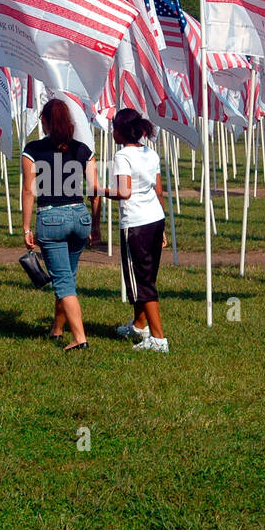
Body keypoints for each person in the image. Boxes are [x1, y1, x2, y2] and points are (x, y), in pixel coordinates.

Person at [21, 98, 101, 352]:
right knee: (66, 276)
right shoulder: (83, 149)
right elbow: (94, 192)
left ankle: (80, 338)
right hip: (80, 217)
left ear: (45, 123)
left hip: (51, 217)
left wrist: (26, 228)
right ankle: (57, 329)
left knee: (63, 281)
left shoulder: (32, 150)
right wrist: (96, 226)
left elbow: (28, 190)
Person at [102, 108, 170, 354]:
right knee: (146, 277)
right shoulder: (151, 153)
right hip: (155, 219)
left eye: (113, 128)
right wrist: (162, 228)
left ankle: (159, 339)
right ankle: (139, 325)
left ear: (121, 131)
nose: (112, 132)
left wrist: (98, 190)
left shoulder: (122, 156)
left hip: (136, 224)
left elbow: (124, 192)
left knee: (142, 281)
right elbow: (158, 191)